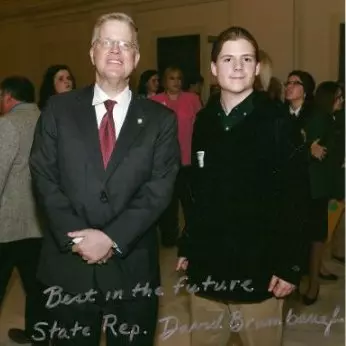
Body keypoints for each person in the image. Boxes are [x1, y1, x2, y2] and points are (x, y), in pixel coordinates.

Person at [29, 12, 180, 346]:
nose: (116, 50)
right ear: (92, 52)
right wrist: (79, 240)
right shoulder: (58, 109)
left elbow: (159, 189)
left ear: (136, 58)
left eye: (125, 44)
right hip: (68, 271)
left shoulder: (161, 120)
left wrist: (111, 238)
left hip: (132, 272)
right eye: (107, 42)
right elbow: (43, 177)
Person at [176, 26, 306, 346]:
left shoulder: (278, 123)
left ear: (257, 68)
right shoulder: (205, 121)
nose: (237, 66)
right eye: (228, 59)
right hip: (208, 268)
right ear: (213, 68)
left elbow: (296, 198)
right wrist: (188, 244)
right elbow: (198, 191)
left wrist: (289, 265)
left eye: (246, 59)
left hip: (259, 271)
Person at [0, 76, 47, 345]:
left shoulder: (7, 125)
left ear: (8, 96)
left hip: (8, 226)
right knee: (37, 288)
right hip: (39, 223)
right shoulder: (46, 119)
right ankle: (38, 336)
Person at [151, 66, 201, 247]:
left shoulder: (192, 99)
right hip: (164, 163)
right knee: (168, 204)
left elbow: (200, 129)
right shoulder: (155, 101)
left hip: (188, 160)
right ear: (165, 81)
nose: (177, 82)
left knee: (190, 202)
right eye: (172, 78)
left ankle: (193, 237)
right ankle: (169, 238)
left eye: (179, 78)